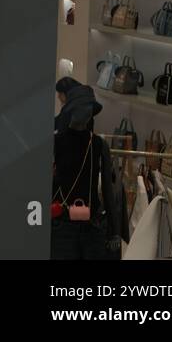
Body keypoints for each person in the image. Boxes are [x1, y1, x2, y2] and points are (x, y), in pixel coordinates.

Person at [51, 79, 122, 259]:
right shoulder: (56, 142)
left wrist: (114, 231)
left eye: (90, 108)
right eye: (83, 107)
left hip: (91, 226)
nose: (87, 111)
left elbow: (108, 191)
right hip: (62, 226)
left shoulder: (99, 145)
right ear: (72, 109)